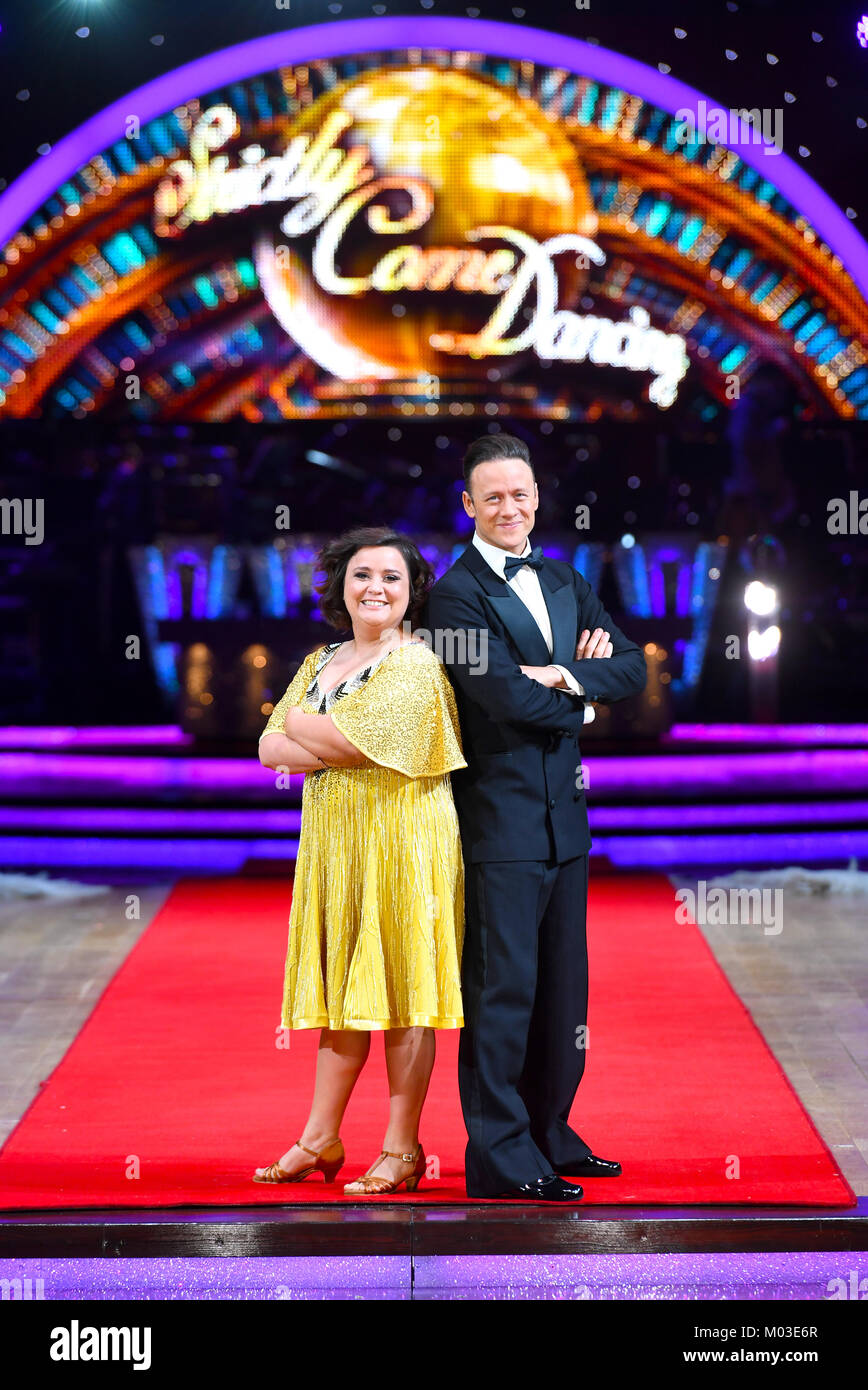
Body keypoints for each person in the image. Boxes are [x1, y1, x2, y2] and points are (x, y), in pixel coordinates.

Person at [424, 435, 647, 1201]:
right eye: (492, 497)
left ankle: (552, 1131)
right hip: (497, 823)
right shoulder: (452, 597)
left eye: (519, 494)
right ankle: (500, 1156)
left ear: (536, 496)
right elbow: (502, 699)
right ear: (469, 506)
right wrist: (583, 696)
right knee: (502, 992)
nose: (509, 508)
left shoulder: (563, 579)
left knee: (562, 991)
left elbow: (632, 666)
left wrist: (560, 675)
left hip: (566, 823)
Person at [253, 527, 466, 1196]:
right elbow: (269, 745)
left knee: (405, 990)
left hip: (406, 840)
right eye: (362, 575)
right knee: (342, 985)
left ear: (412, 592)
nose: (376, 587)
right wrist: (334, 743)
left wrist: (314, 736)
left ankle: (402, 1148)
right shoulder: (322, 659)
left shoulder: (417, 663)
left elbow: (333, 738)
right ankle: (321, 1137)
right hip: (334, 842)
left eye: (392, 578)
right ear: (340, 587)